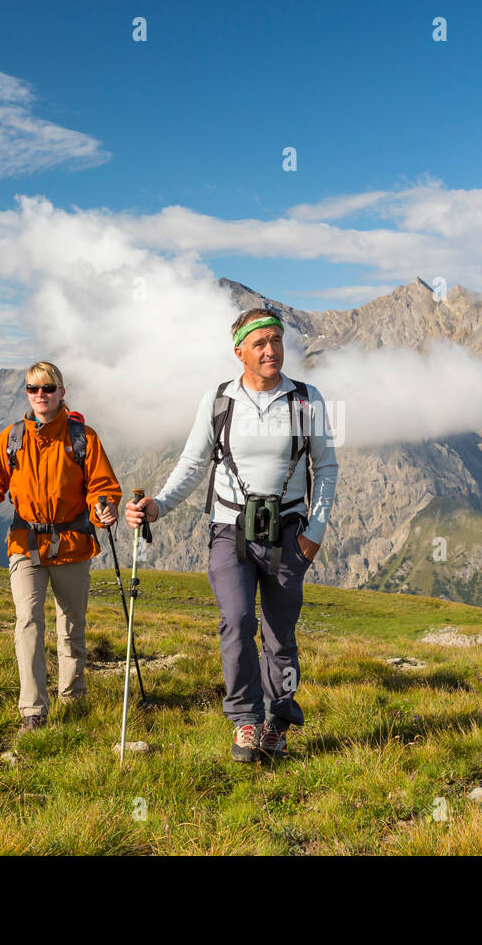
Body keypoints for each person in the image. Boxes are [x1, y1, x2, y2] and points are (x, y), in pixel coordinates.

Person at [127, 307, 337, 761]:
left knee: (280, 633)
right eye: (259, 344)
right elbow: (192, 462)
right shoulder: (219, 400)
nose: (270, 351)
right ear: (239, 350)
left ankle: (278, 723)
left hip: (289, 530)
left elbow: (327, 467)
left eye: (276, 342)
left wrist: (314, 533)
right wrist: (158, 506)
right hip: (230, 529)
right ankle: (246, 720)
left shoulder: (306, 399)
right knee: (237, 621)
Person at [0, 361, 121, 733]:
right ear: (27, 393)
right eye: (33, 389)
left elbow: (101, 484)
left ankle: (73, 697)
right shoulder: (12, 439)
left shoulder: (83, 437)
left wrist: (103, 506)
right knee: (28, 621)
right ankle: (33, 710)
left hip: (73, 542)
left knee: (71, 624)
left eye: (47, 388)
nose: (40, 395)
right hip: (25, 543)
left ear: (62, 392)